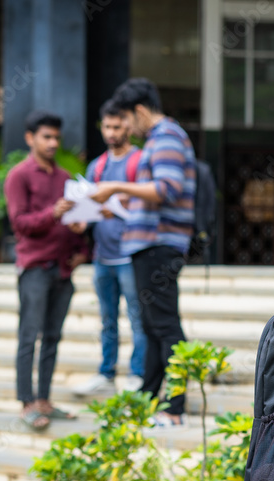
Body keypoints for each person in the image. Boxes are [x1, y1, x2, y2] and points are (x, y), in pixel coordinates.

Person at [90, 78, 196, 428]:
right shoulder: (159, 138)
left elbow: (167, 188)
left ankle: (175, 406)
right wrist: (120, 202)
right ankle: (150, 401)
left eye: (127, 120)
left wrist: (117, 186)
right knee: (152, 327)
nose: (127, 130)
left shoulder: (165, 136)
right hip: (148, 243)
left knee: (164, 326)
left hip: (158, 244)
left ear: (138, 111)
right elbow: (154, 191)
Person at [4, 110, 87, 430]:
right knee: (30, 336)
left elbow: (75, 223)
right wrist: (52, 212)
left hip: (63, 271)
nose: (53, 143)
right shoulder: (19, 176)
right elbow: (20, 224)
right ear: (30, 138)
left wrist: (82, 249)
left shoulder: (66, 178)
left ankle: (44, 400)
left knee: (52, 337)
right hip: (34, 269)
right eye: (46, 137)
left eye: (56, 137)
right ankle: (27, 403)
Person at [70, 99, 147, 396]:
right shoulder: (97, 166)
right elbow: (88, 207)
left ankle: (137, 374)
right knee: (107, 319)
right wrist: (79, 221)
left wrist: (115, 205)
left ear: (129, 126)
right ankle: (106, 372)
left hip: (131, 254)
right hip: (103, 256)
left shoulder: (139, 161)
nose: (112, 132)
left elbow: (147, 199)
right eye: (107, 126)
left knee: (137, 318)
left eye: (117, 126)